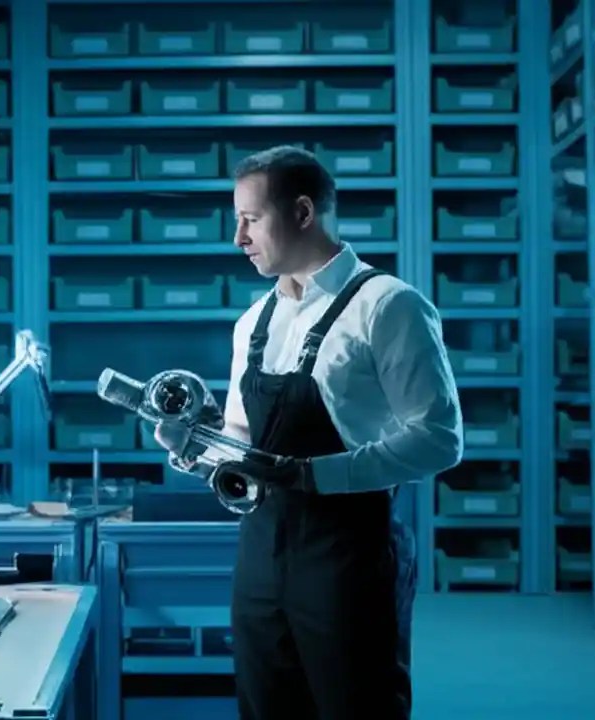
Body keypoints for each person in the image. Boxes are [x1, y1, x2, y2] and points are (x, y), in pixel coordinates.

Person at [154, 145, 464, 720]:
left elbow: (439, 437)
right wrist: (191, 446)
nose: (237, 238)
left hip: (347, 556)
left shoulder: (387, 305)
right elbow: (243, 441)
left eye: (250, 219)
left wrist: (314, 475)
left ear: (301, 213)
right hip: (260, 556)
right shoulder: (253, 321)